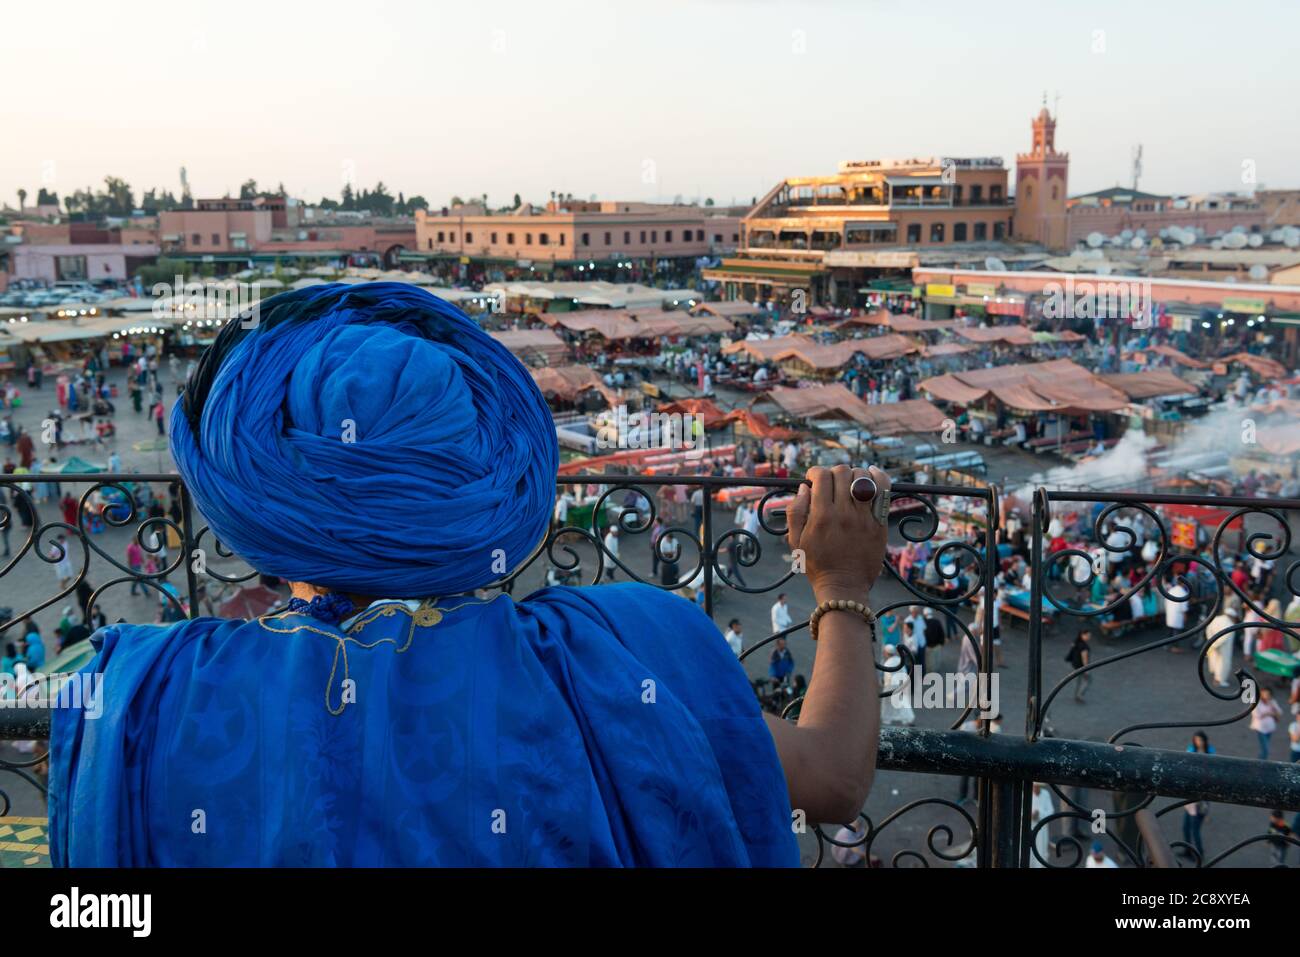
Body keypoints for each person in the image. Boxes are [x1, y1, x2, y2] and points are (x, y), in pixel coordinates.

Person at [49, 282, 891, 866]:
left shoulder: (145, 692)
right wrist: (842, 585)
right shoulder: (619, 654)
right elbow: (832, 776)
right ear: (481, 480)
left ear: (257, 507)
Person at [1181, 731, 1214, 859]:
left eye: (1201, 740)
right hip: (1190, 799)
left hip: (1200, 800)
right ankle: (1187, 851)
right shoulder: (1191, 750)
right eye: (1196, 740)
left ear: (1205, 741)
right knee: (1185, 828)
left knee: (1195, 830)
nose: (1199, 742)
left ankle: (1200, 854)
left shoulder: (1210, 752)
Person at [1251, 687, 1282, 760]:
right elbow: (1257, 715)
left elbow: (1279, 712)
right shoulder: (1256, 702)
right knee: (1265, 749)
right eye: (1265, 694)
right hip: (1260, 728)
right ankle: (1262, 762)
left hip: (1270, 728)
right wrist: (1270, 713)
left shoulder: (1272, 702)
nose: (1267, 696)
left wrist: (1271, 709)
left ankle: (1260, 761)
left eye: (1268, 694)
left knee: (1264, 748)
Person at [1066, 630, 1093, 703]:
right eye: (1087, 635)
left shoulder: (1076, 642)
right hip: (1081, 667)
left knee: (1078, 681)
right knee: (1088, 681)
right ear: (1082, 635)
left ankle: (1076, 694)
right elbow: (1085, 658)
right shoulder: (1084, 647)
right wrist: (1087, 669)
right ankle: (1079, 695)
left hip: (1075, 665)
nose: (1089, 637)